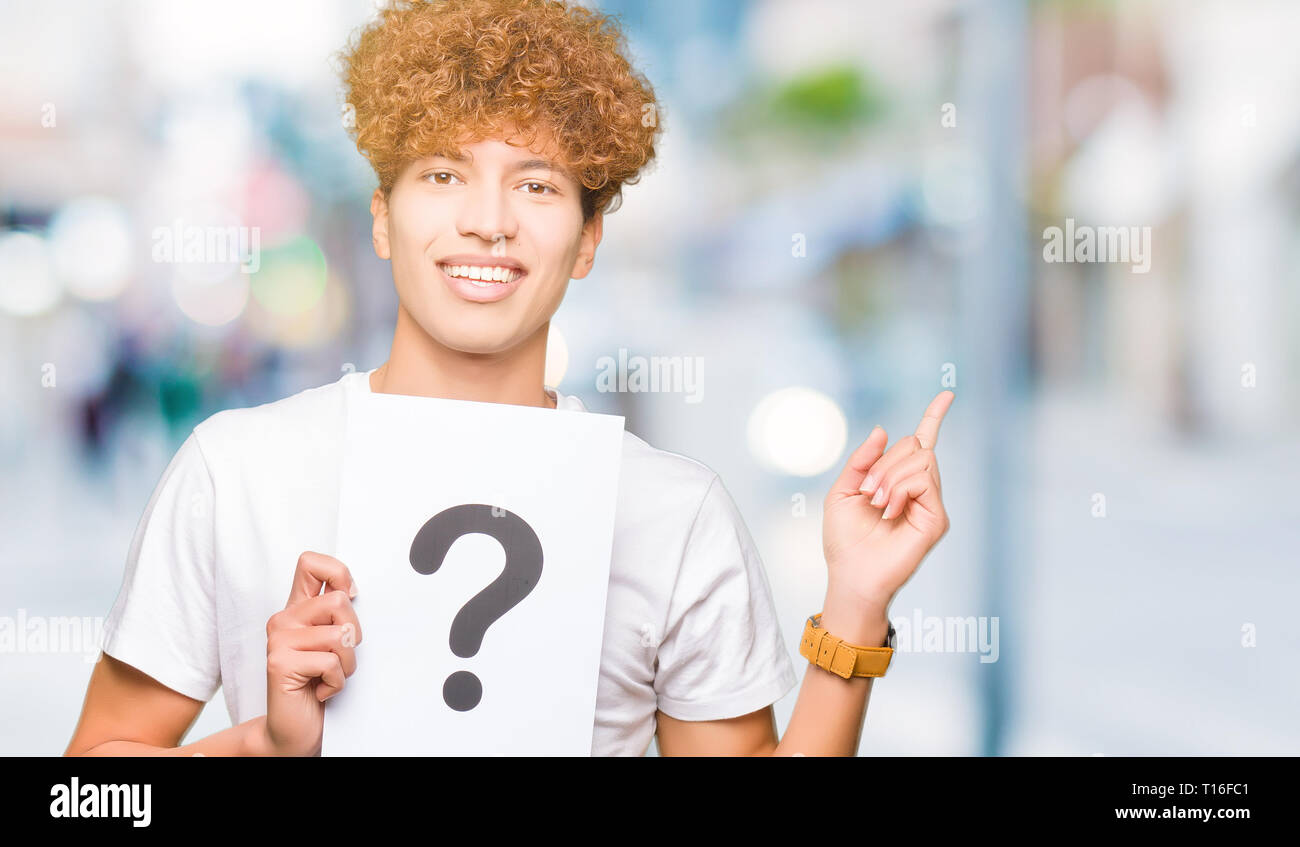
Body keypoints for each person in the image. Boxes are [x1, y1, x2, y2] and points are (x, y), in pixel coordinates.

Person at [64, 0, 953, 757]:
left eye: (536, 186)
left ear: (589, 237)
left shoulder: (674, 514)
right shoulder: (236, 472)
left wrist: (857, 601)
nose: (488, 222)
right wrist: (264, 743)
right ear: (382, 218)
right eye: (444, 174)